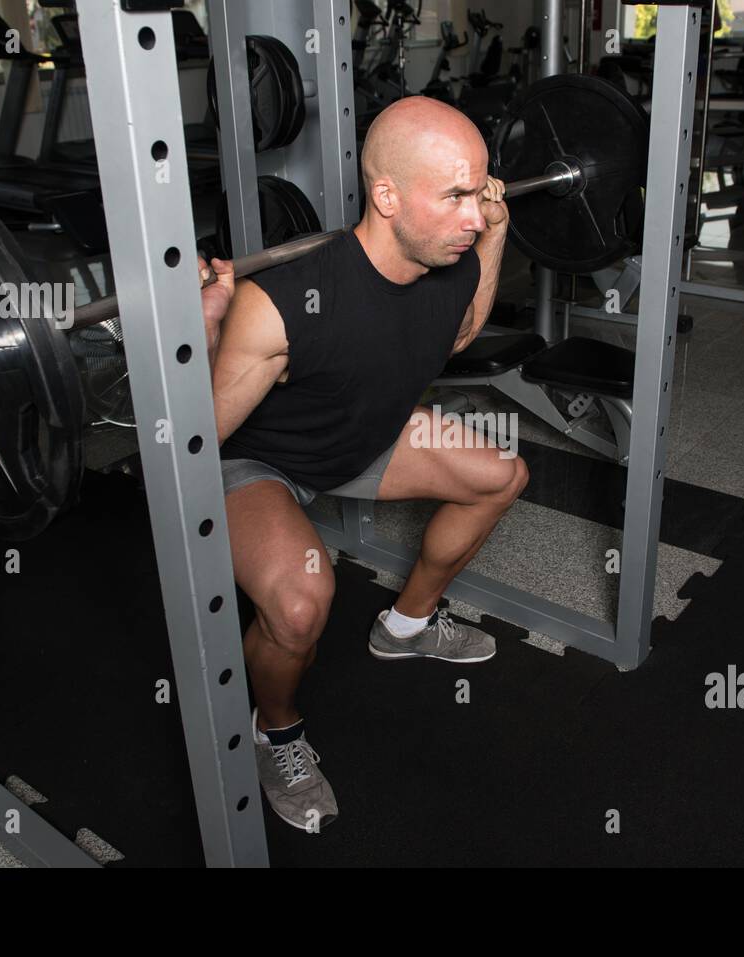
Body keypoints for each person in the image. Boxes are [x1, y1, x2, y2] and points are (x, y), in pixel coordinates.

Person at [199, 96, 525, 831]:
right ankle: (275, 732)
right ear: (387, 196)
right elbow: (192, 439)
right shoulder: (278, 304)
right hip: (260, 459)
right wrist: (207, 331)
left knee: (501, 475)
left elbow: (460, 331)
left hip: (361, 434)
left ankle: (406, 627)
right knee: (301, 606)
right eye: (456, 197)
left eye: (481, 193)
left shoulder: (448, 258)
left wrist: (496, 237)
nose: (474, 215)